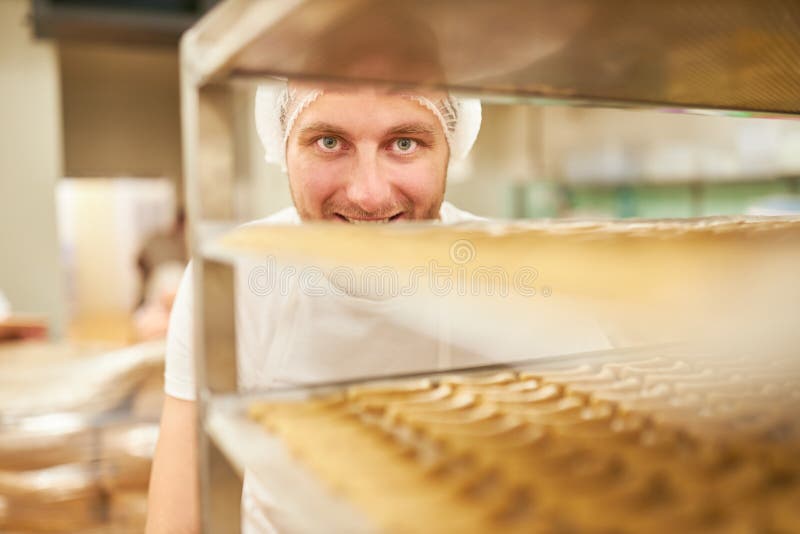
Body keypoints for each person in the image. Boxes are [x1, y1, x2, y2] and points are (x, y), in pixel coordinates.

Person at [145, 78, 484, 533]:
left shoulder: (525, 280)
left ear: (450, 148)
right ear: (284, 149)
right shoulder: (234, 279)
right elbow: (177, 520)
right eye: (329, 142)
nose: (369, 194)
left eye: (404, 143)